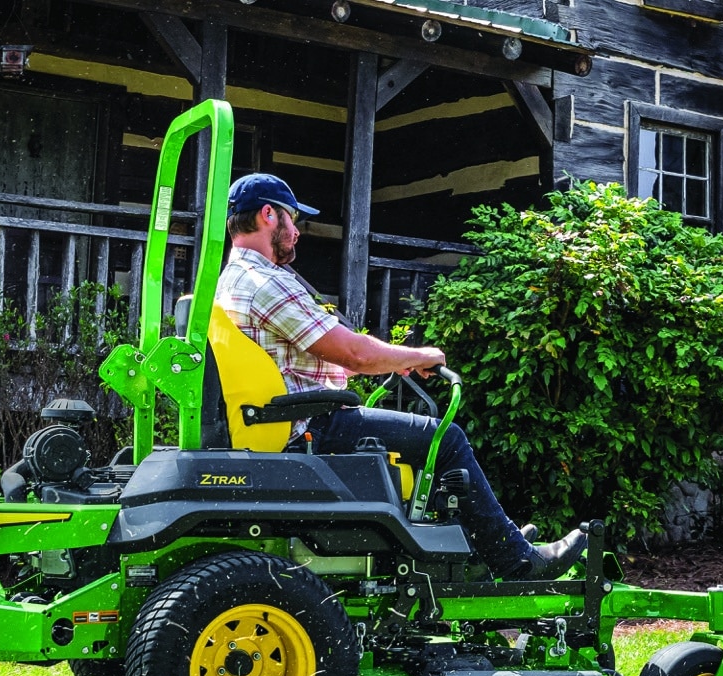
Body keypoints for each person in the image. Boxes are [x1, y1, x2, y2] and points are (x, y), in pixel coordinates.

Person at [215, 172, 586, 580]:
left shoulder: (232, 280)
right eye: (293, 219)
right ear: (269, 215)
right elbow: (354, 353)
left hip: (285, 419)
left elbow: (331, 350)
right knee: (444, 439)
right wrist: (418, 353)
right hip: (310, 425)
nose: (297, 232)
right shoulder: (266, 282)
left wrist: (394, 360)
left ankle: (488, 542)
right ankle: (517, 561)